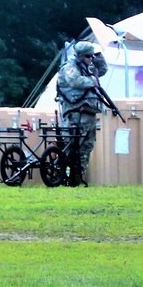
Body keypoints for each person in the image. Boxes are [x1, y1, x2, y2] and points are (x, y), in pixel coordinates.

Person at [55, 40, 109, 186]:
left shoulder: (86, 67)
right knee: (72, 146)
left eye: (92, 56)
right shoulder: (70, 67)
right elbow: (76, 81)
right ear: (79, 56)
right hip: (75, 112)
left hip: (89, 112)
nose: (90, 59)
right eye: (88, 56)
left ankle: (78, 177)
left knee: (86, 146)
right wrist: (93, 80)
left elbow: (102, 71)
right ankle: (64, 177)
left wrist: (99, 57)